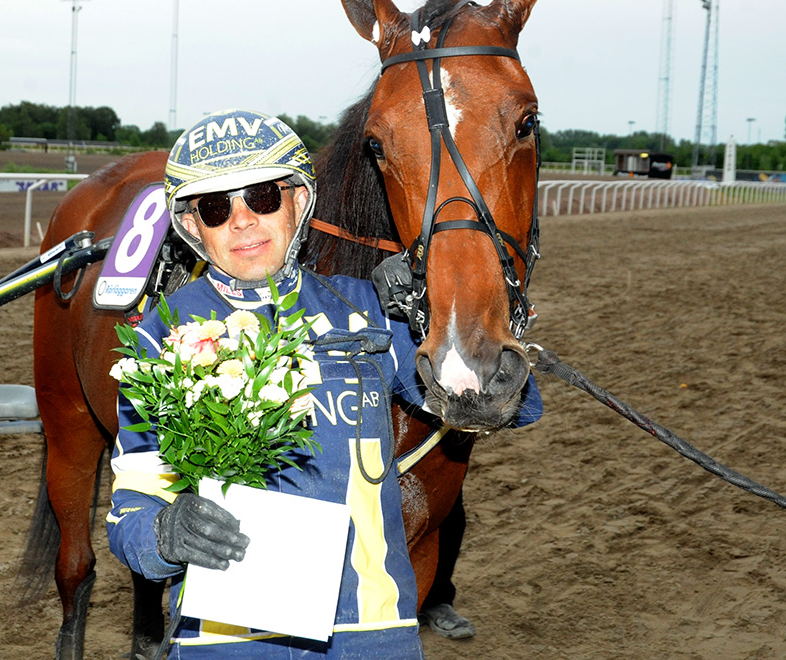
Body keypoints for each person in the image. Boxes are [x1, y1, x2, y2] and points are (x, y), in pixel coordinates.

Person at [106, 109, 540, 657]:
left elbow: (497, 403)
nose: (241, 221)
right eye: (217, 208)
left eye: (261, 196)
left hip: (370, 636)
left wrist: (453, 313)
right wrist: (166, 534)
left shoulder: (367, 311)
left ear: (298, 200)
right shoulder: (159, 336)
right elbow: (130, 514)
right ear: (193, 227)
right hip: (224, 640)